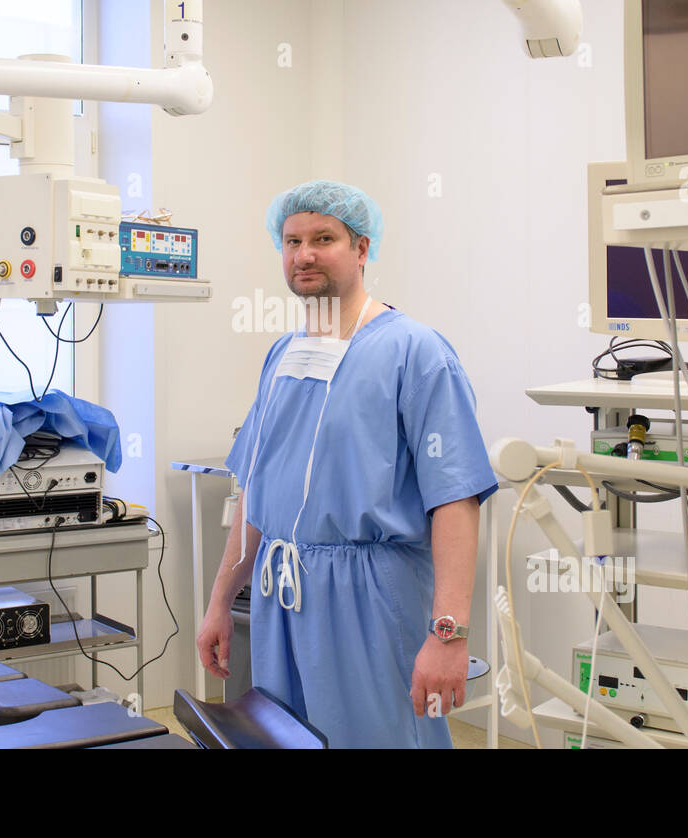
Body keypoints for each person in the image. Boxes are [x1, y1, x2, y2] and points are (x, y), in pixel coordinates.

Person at [196, 180, 498, 748]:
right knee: (290, 738)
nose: (303, 254)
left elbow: (454, 498)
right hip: (282, 599)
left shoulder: (416, 352)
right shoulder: (282, 356)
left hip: (373, 598)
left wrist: (449, 634)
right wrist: (218, 604)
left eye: (323, 238)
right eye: (291, 241)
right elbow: (258, 493)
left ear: (361, 248)